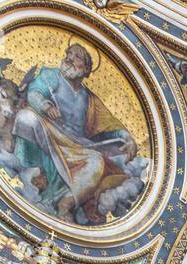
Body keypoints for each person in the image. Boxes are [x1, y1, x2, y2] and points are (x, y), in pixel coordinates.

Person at [12, 43, 149, 224]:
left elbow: (109, 126)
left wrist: (128, 138)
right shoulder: (50, 76)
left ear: (86, 68)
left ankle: (66, 203)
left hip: (77, 147)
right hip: (48, 134)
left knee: (97, 161)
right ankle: (30, 169)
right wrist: (45, 105)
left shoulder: (89, 98)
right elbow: (34, 92)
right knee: (25, 118)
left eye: (76, 57)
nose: (69, 58)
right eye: (69, 53)